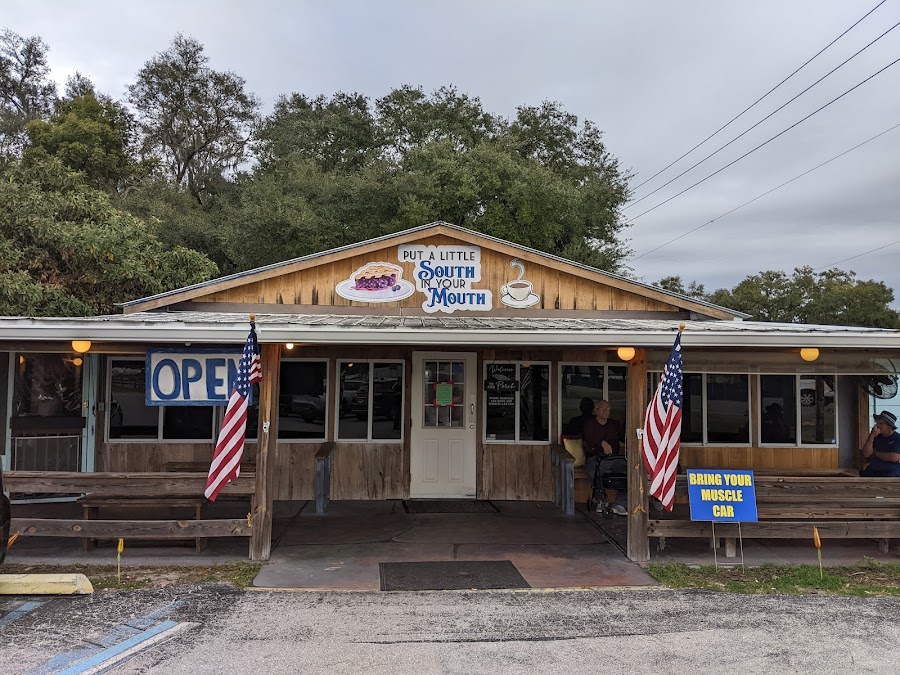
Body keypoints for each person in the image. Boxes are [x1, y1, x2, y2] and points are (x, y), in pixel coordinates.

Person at [582, 400, 627, 515]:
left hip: (614, 458)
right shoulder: (590, 424)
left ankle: (620, 504)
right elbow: (587, 440)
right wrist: (601, 442)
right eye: (603, 408)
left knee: (629, 472)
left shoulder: (614, 424)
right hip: (596, 458)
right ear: (596, 411)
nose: (606, 411)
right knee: (593, 472)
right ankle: (602, 500)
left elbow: (625, 437)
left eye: (608, 408)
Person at [860, 410, 900, 477]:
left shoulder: (897, 438)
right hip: (873, 470)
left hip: (890, 472)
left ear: (890, 426)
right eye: (877, 423)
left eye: (881, 424)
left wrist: (875, 453)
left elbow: (894, 457)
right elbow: (866, 454)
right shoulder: (875, 437)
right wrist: (871, 436)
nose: (877, 426)